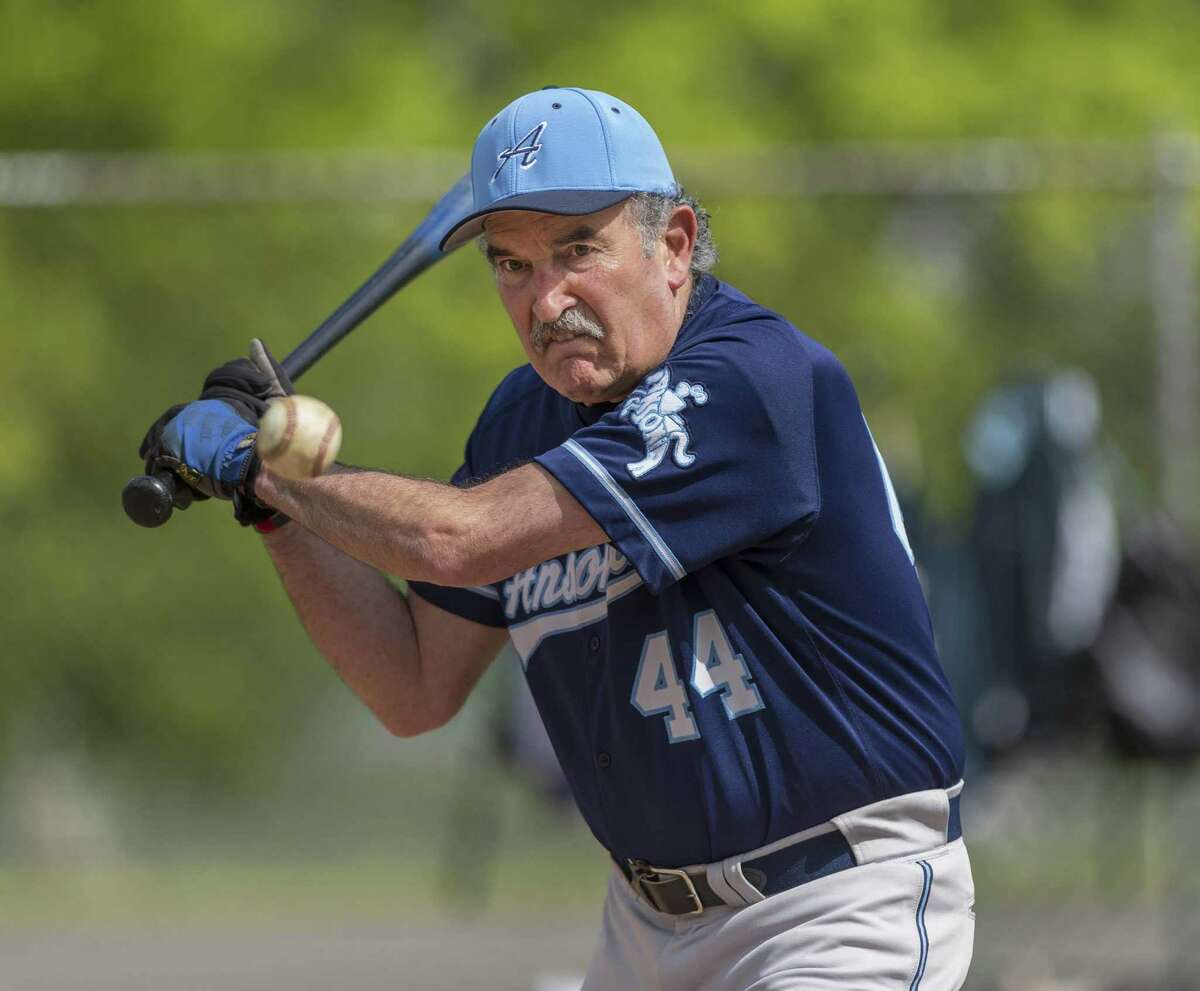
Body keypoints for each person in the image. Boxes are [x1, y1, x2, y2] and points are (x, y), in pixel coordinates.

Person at [140, 87, 975, 990]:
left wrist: (266, 468)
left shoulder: (750, 380)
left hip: (833, 908)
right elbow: (411, 682)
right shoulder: (522, 421)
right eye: (512, 264)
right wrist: (274, 514)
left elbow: (463, 540)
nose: (548, 299)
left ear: (675, 246)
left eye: (578, 250)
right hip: (643, 930)